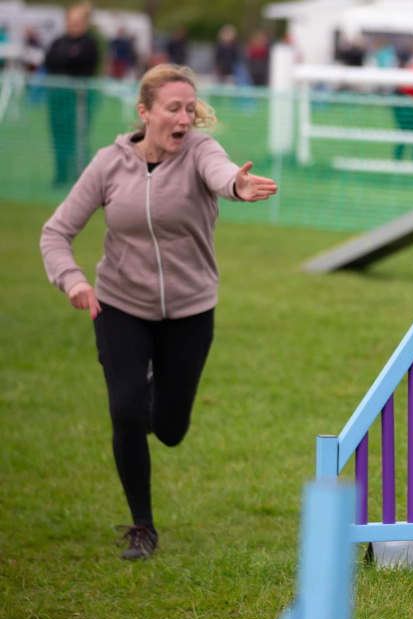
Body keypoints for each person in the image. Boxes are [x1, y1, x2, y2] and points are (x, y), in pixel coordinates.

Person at [39, 64, 278, 561]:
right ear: (144, 112)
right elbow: (55, 233)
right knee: (125, 411)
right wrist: (73, 279)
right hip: (120, 304)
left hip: (190, 310)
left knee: (169, 429)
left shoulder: (199, 152)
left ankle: (149, 389)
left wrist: (236, 185)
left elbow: (219, 173)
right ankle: (142, 527)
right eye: (174, 108)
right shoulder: (109, 164)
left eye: (191, 109)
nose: (185, 119)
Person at [44, 3, 99, 188]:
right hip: (57, 98)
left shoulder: (88, 43)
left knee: (77, 138)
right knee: (58, 137)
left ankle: (80, 176)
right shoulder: (59, 42)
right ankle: (61, 175)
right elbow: (49, 61)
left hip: (78, 101)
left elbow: (83, 63)